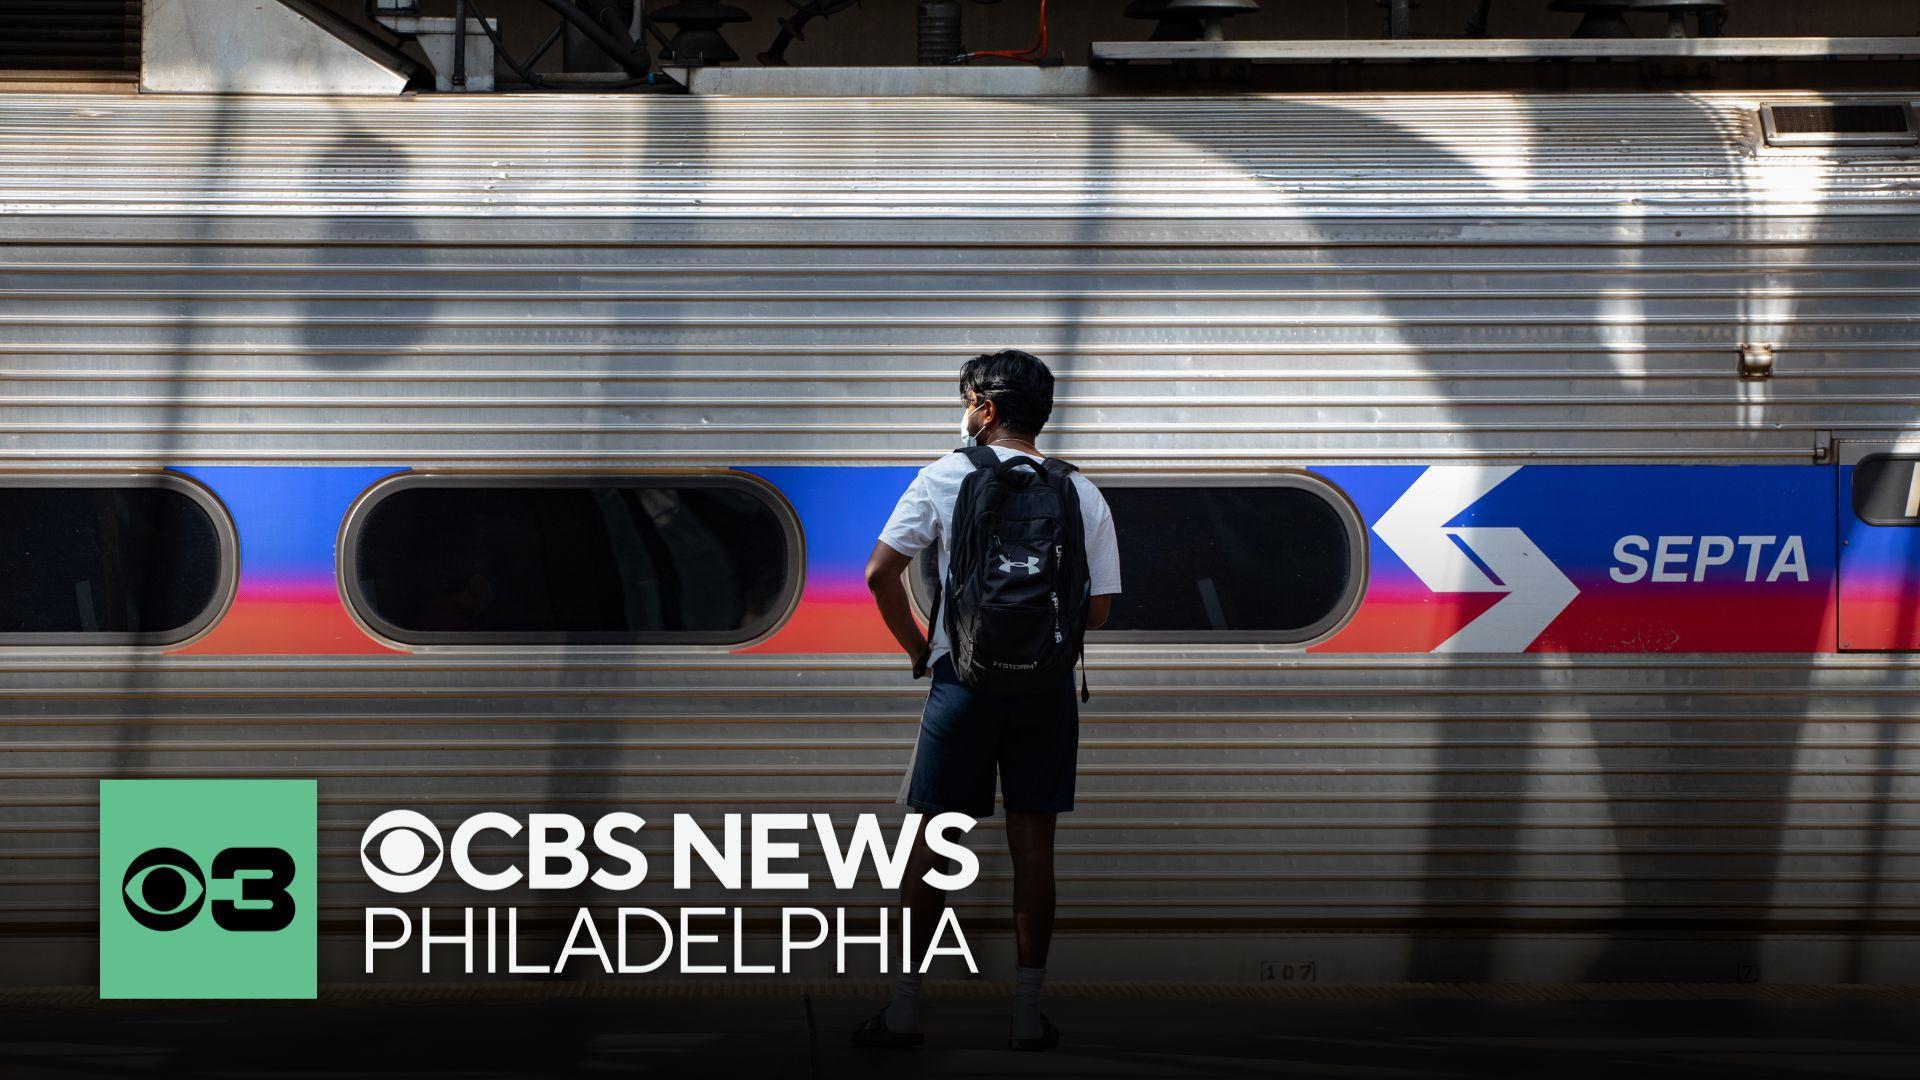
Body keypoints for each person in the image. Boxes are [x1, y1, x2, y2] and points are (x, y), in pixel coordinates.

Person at [852, 349, 1122, 1052]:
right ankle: (1027, 1015)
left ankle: (906, 1009)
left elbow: (881, 573)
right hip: (1045, 691)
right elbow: (1097, 610)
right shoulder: (1079, 492)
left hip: (962, 685)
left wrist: (920, 646)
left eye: (967, 398)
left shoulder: (943, 476)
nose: (964, 409)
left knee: (931, 848)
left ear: (986, 408)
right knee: (1035, 852)